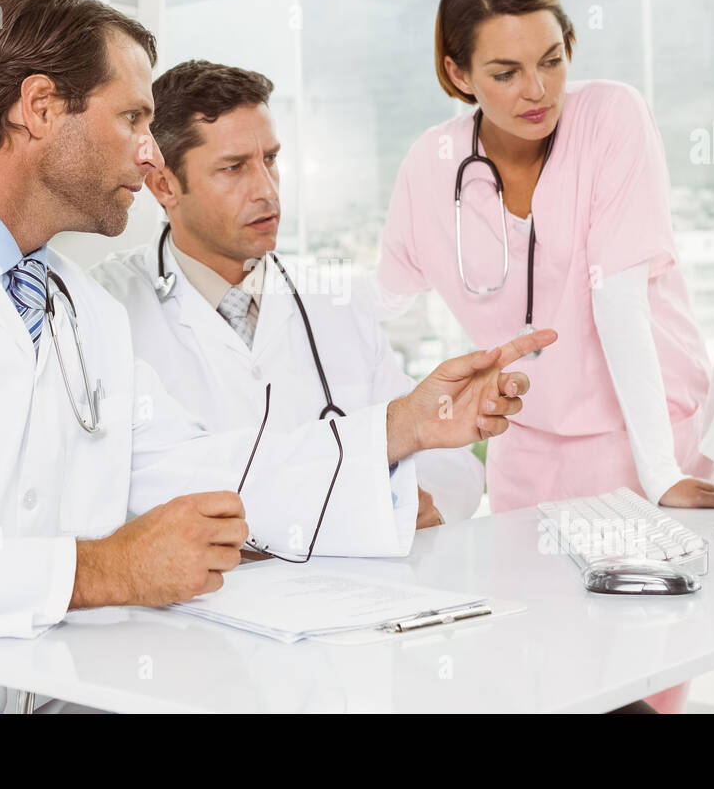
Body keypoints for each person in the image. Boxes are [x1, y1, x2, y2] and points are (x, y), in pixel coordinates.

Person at [0, 0, 553, 713]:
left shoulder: (77, 311)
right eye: (132, 119)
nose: (150, 155)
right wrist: (100, 570)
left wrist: (401, 427)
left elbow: (211, 472)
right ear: (38, 109)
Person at [376, 0, 714, 712]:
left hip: (646, 437)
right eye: (505, 71)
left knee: (645, 683)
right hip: (528, 453)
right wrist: (380, 455)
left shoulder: (612, 118)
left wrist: (660, 476)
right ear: (457, 72)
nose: (537, 90)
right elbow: (379, 309)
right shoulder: (431, 166)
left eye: (551, 61)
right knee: (537, 680)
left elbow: (616, 297)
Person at [92, 60, 484, 530]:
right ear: (164, 184)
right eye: (234, 167)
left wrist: (412, 504)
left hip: (351, 594)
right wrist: (352, 508)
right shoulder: (103, 309)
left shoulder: (338, 299)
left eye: (271, 159)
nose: (266, 190)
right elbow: (121, 495)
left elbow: (448, 463)